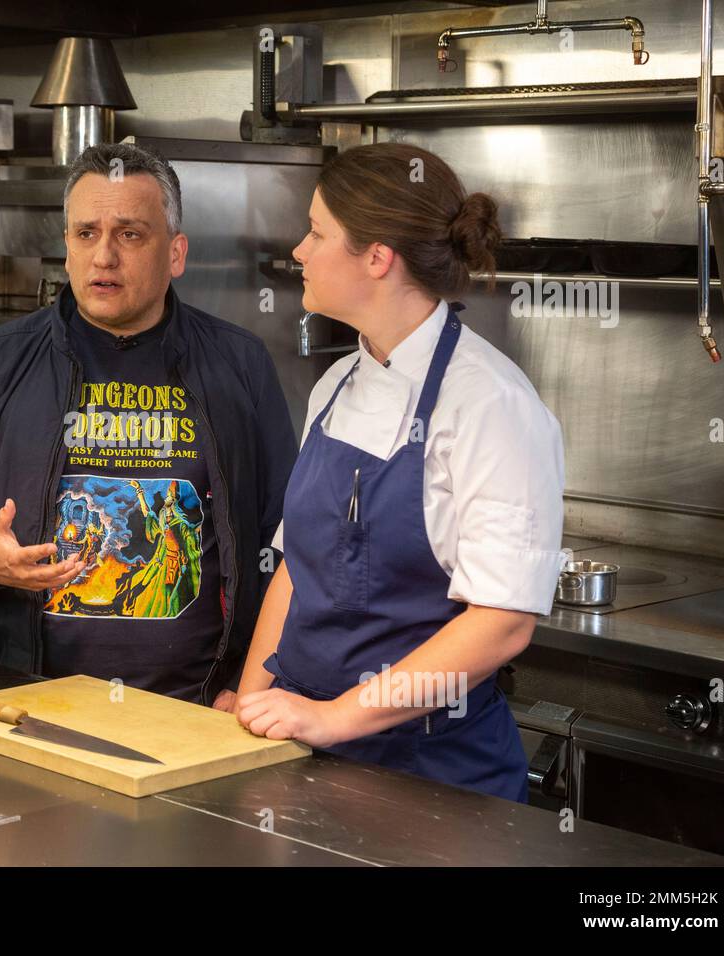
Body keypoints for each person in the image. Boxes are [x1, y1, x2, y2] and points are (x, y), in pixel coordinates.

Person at [0, 142, 297, 704]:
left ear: (176, 253)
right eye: (86, 233)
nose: (104, 257)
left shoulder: (239, 363)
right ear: (66, 248)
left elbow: (284, 536)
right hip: (31, 695)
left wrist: (249, 682)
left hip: (199, 703)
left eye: (131, 234)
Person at [235, 143, 565, 802]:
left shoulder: (489, 403)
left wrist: (336, 716)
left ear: (378, 257)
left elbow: (502, 622)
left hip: (434, 773)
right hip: (309, 751)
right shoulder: (335, 384)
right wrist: (252, 703)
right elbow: (298, 565)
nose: (299, 250)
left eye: (318, 233)